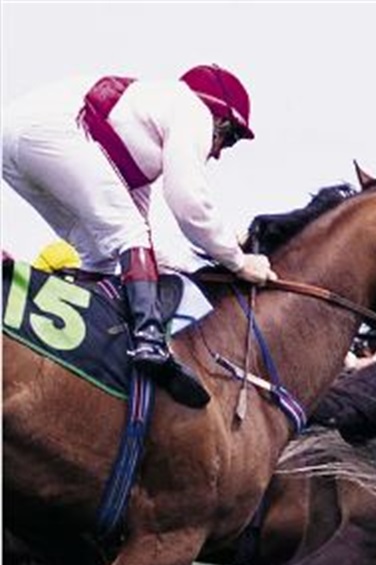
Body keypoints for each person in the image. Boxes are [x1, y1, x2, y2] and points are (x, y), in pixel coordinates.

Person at [2, 64, 277, 408]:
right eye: (230, 138)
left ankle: (74, 344)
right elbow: (188, 202)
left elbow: (141, 247)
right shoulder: (192, 109)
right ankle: (150, 342)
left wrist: (195, 262)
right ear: (219, 118)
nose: (218, 153)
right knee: (125, 233)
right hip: (48, 131)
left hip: (17, 141)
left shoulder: (138, 139)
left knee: (98, 253)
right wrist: (237, 261)